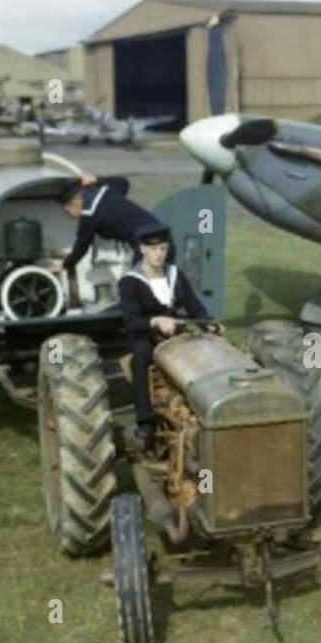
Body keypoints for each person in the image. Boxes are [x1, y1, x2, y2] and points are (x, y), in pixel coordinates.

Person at [118, 226, 219, 449]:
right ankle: (145, 423)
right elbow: (131, 322)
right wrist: (155, 321)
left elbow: (195, 307)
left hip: (176, 335)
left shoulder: (175, 274)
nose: (159, 254)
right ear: (142, 249)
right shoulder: (130, 282)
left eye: (163, 249)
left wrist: (208, 322)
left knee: (207, 349)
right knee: (141, 356)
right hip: (146, 337)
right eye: (154, 249)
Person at [56, 172, 164, 279]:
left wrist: (64, 265)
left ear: (72, 204)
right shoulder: (105, 191)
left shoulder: (89, 215)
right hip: (162, 235)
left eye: (67, 212)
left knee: (138, 285)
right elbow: (122, 182)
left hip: (147, 244)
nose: (69, 216)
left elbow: (81, 246)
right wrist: (97, 180)